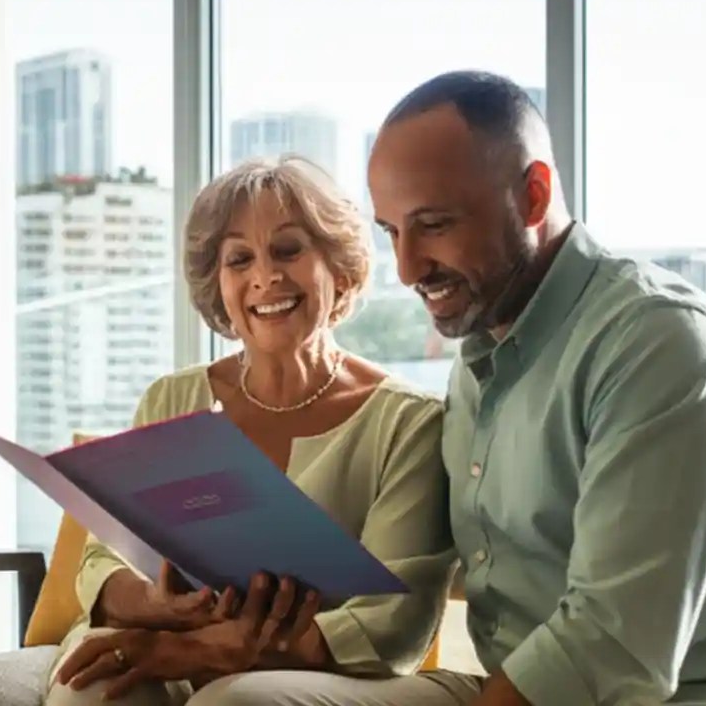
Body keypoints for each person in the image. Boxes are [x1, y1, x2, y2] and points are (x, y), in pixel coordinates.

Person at [359, 71, 706, 705]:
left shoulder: (660, 344)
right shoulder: (480, 358)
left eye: (434, 224)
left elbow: (613, 644)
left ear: (533, 195)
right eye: (391, 232)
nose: (408, 267)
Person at [43, 156, 465, 706]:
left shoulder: (409, 422)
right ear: (218, 286)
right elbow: (102, 559)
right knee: (92, 688)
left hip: (312, 673)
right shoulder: (172, 400)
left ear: (339, 270)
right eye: (239, 259)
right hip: (168, 635)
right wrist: (157, 605)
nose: (264, 277)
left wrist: (215, 649)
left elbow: (394, 621)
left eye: (288, 250)